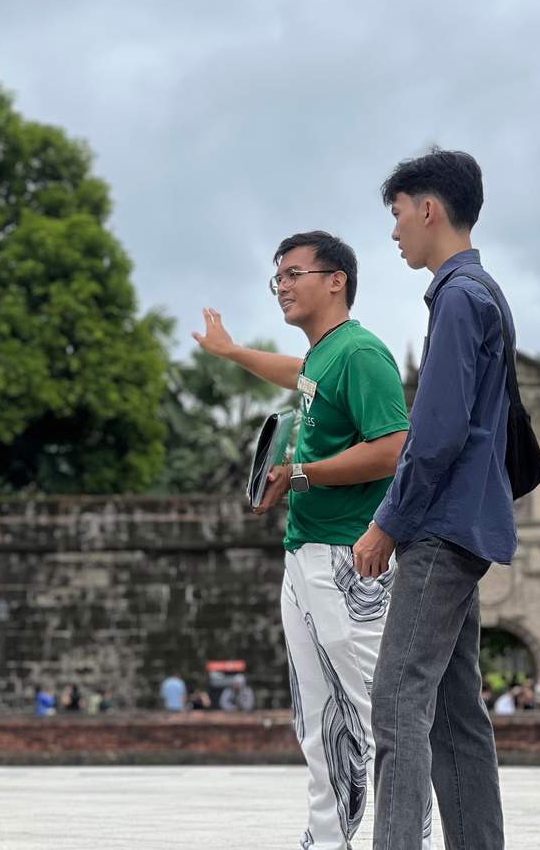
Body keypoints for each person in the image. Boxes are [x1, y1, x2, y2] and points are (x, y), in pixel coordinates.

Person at [194, 230, 424, 849]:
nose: (283, 287)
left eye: (294, 273)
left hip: (350, 556)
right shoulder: (323, 357)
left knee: (379, 713)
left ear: (336, 280)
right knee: (318, 719)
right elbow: (294, 374)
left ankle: (413, 840)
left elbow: (393, 448)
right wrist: (232, 352)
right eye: (278, 278)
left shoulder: (360, 353)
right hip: (304, 556)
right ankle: (329, 841)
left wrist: (298, 473)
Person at [352, 148, 512, 849]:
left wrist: (386, 522)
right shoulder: (485, 292)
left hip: (440, 528)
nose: (392, 233)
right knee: (452, 714)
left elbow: (436, 431)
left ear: (428, 209)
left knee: (395, 701)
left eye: (396, 214)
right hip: (470, 523)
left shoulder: (456, 296)